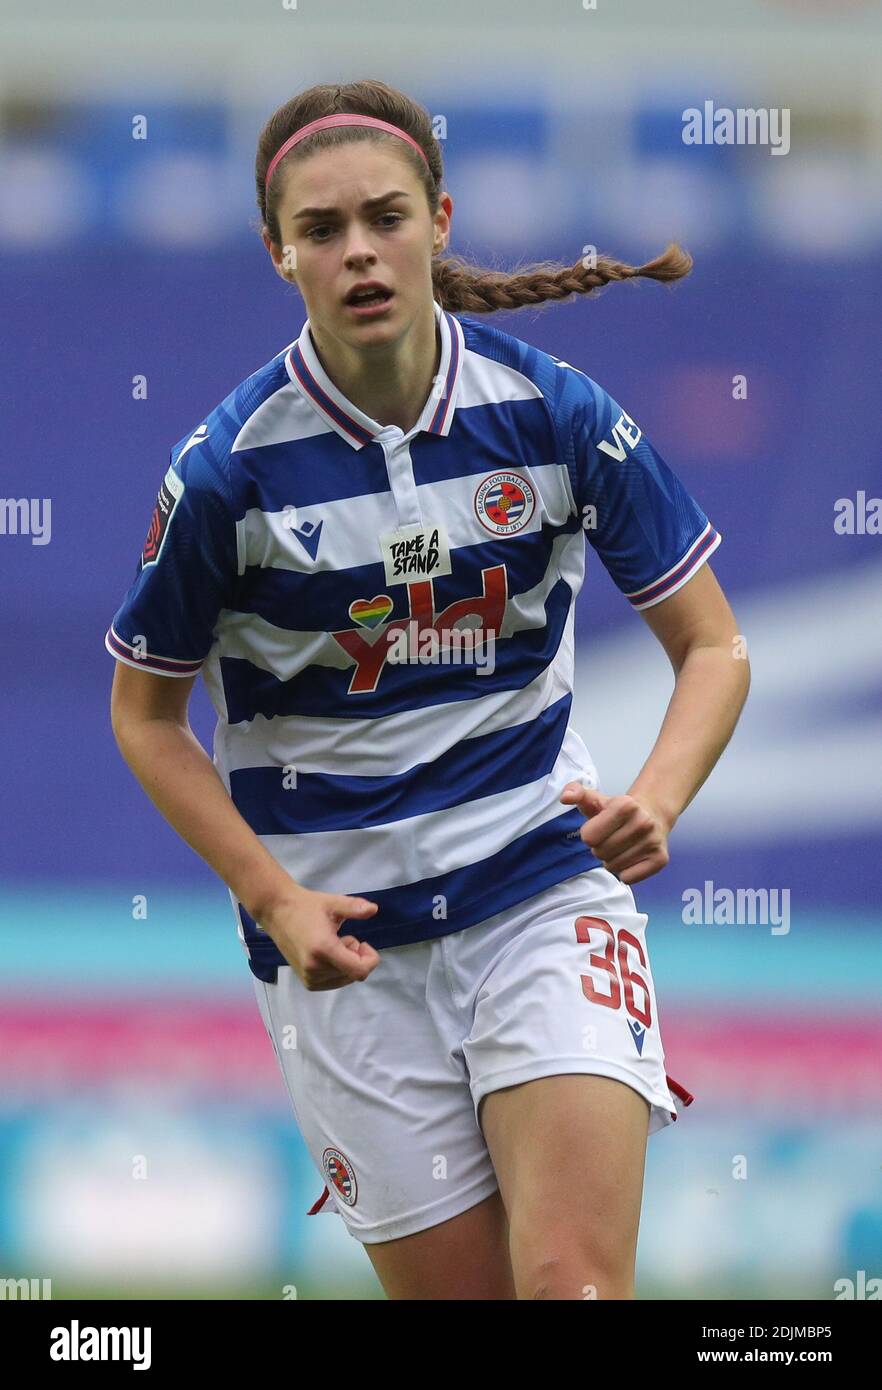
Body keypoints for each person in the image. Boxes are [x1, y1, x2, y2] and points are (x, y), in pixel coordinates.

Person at [105, 78, 750, 1300]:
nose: (360, 250)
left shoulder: (556, 416)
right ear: (278, 252)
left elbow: (714, 647)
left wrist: (659, 797)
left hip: (540, 892)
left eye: (387, 217)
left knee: (573, 1288)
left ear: (440, 220)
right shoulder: (224, 476)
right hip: (346, 951)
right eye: (325, 228)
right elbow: (145, 715)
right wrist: (273, 895)